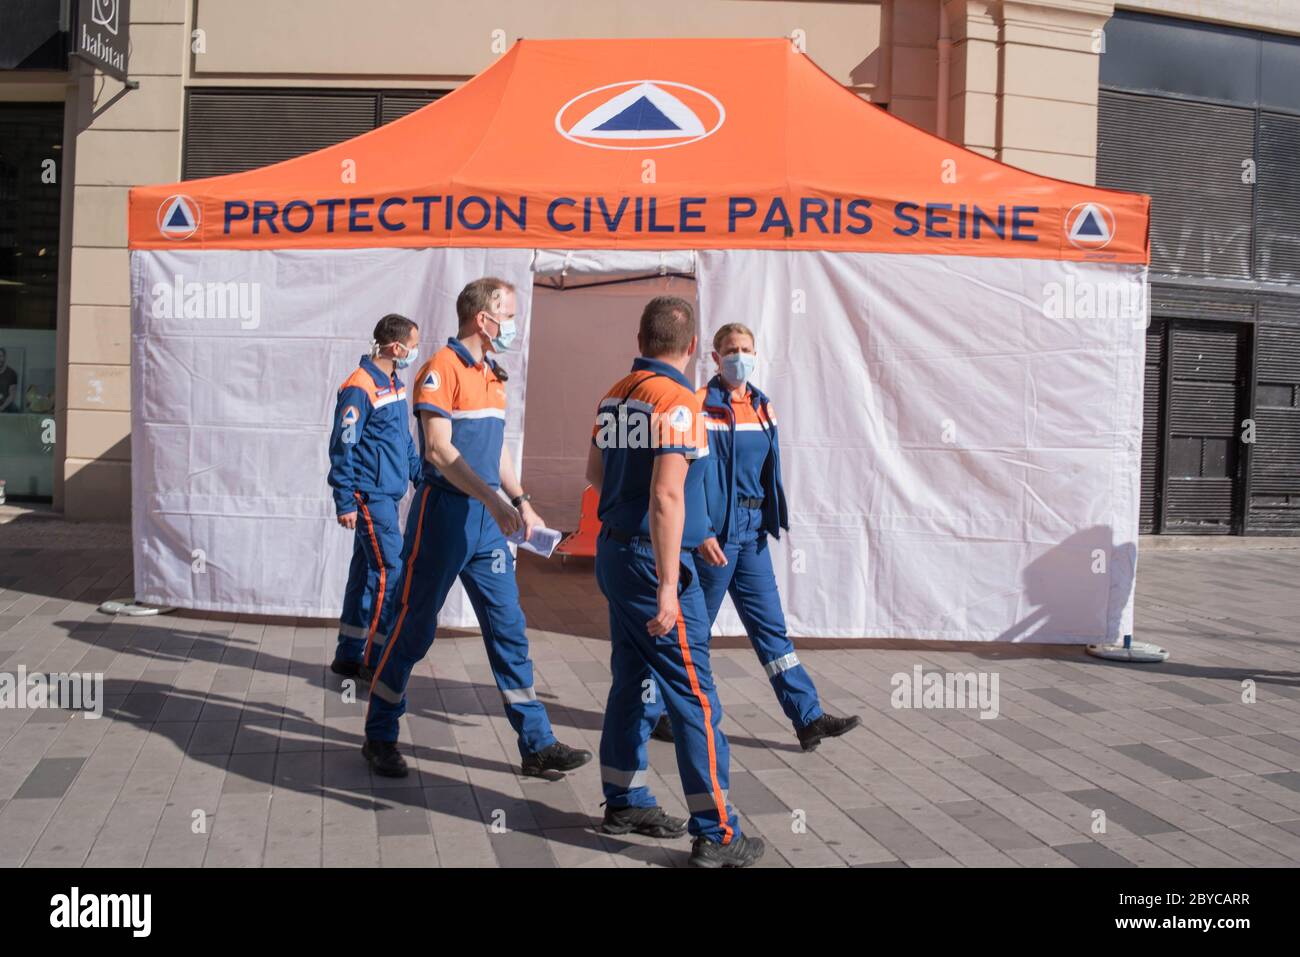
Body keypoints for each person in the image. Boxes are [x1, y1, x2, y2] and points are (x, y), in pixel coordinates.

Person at [363, 277, 592, 780]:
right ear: (481, 318)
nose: (512, 325)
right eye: (507, 314)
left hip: (487, 523)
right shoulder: (440, 370)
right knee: (414, 626)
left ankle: (537, 743)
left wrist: (522, 501)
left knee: (508, 626)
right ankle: (380, 733)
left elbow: (498, 449)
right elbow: (439, 450)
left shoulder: (493, 373)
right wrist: (492, 498)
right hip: (444, 514)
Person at [587, 296, 764, 868]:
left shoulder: (615, 392)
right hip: (649, 561)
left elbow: (594, 473)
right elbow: (666, 495)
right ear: (692, 348)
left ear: (640, 338)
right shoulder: (679, 401)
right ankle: (717, 830)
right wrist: (669, 584)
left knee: (632, 676)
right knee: (693, 694)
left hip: (615, 552)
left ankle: (624, 797)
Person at [651, 323, 860, 751]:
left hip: (751, 538)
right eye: (730, 350)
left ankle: (808, 717)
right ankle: (657, 713)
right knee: (692, 632)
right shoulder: (696, 406)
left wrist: (770, 518)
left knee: (773, 632)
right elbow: (684, 478)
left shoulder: (763, 407)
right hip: (713, 540)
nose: (738, 357)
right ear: (714, 356)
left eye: (746, 349)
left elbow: (768, 471)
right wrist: (702, 530)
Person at [327, 314, 423, 679]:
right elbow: (343, 446)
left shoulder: (394, 383)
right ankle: (378, 658)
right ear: (396, 347)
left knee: (366, 571)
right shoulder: (360, 386)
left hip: (388, 493)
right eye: (413, 345)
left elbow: (403, 439)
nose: (415, 351)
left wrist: (421, 477)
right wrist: (346, 500)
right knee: (391, 570)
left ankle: (348, 654)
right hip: (371, 496)